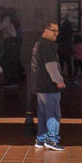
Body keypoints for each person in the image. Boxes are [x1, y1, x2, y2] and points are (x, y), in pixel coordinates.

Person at [31, 20, 65, 150]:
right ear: (46, 30)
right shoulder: (47, 44)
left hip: (40, 85)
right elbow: (50, 64)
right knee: (53, 114)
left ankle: (41, 139)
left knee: (43, 113)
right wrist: (58, 80)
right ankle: (52, 140)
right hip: (49, 85)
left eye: (57, 31)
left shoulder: (38, 43)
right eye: (54, 31)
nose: (57, 34)